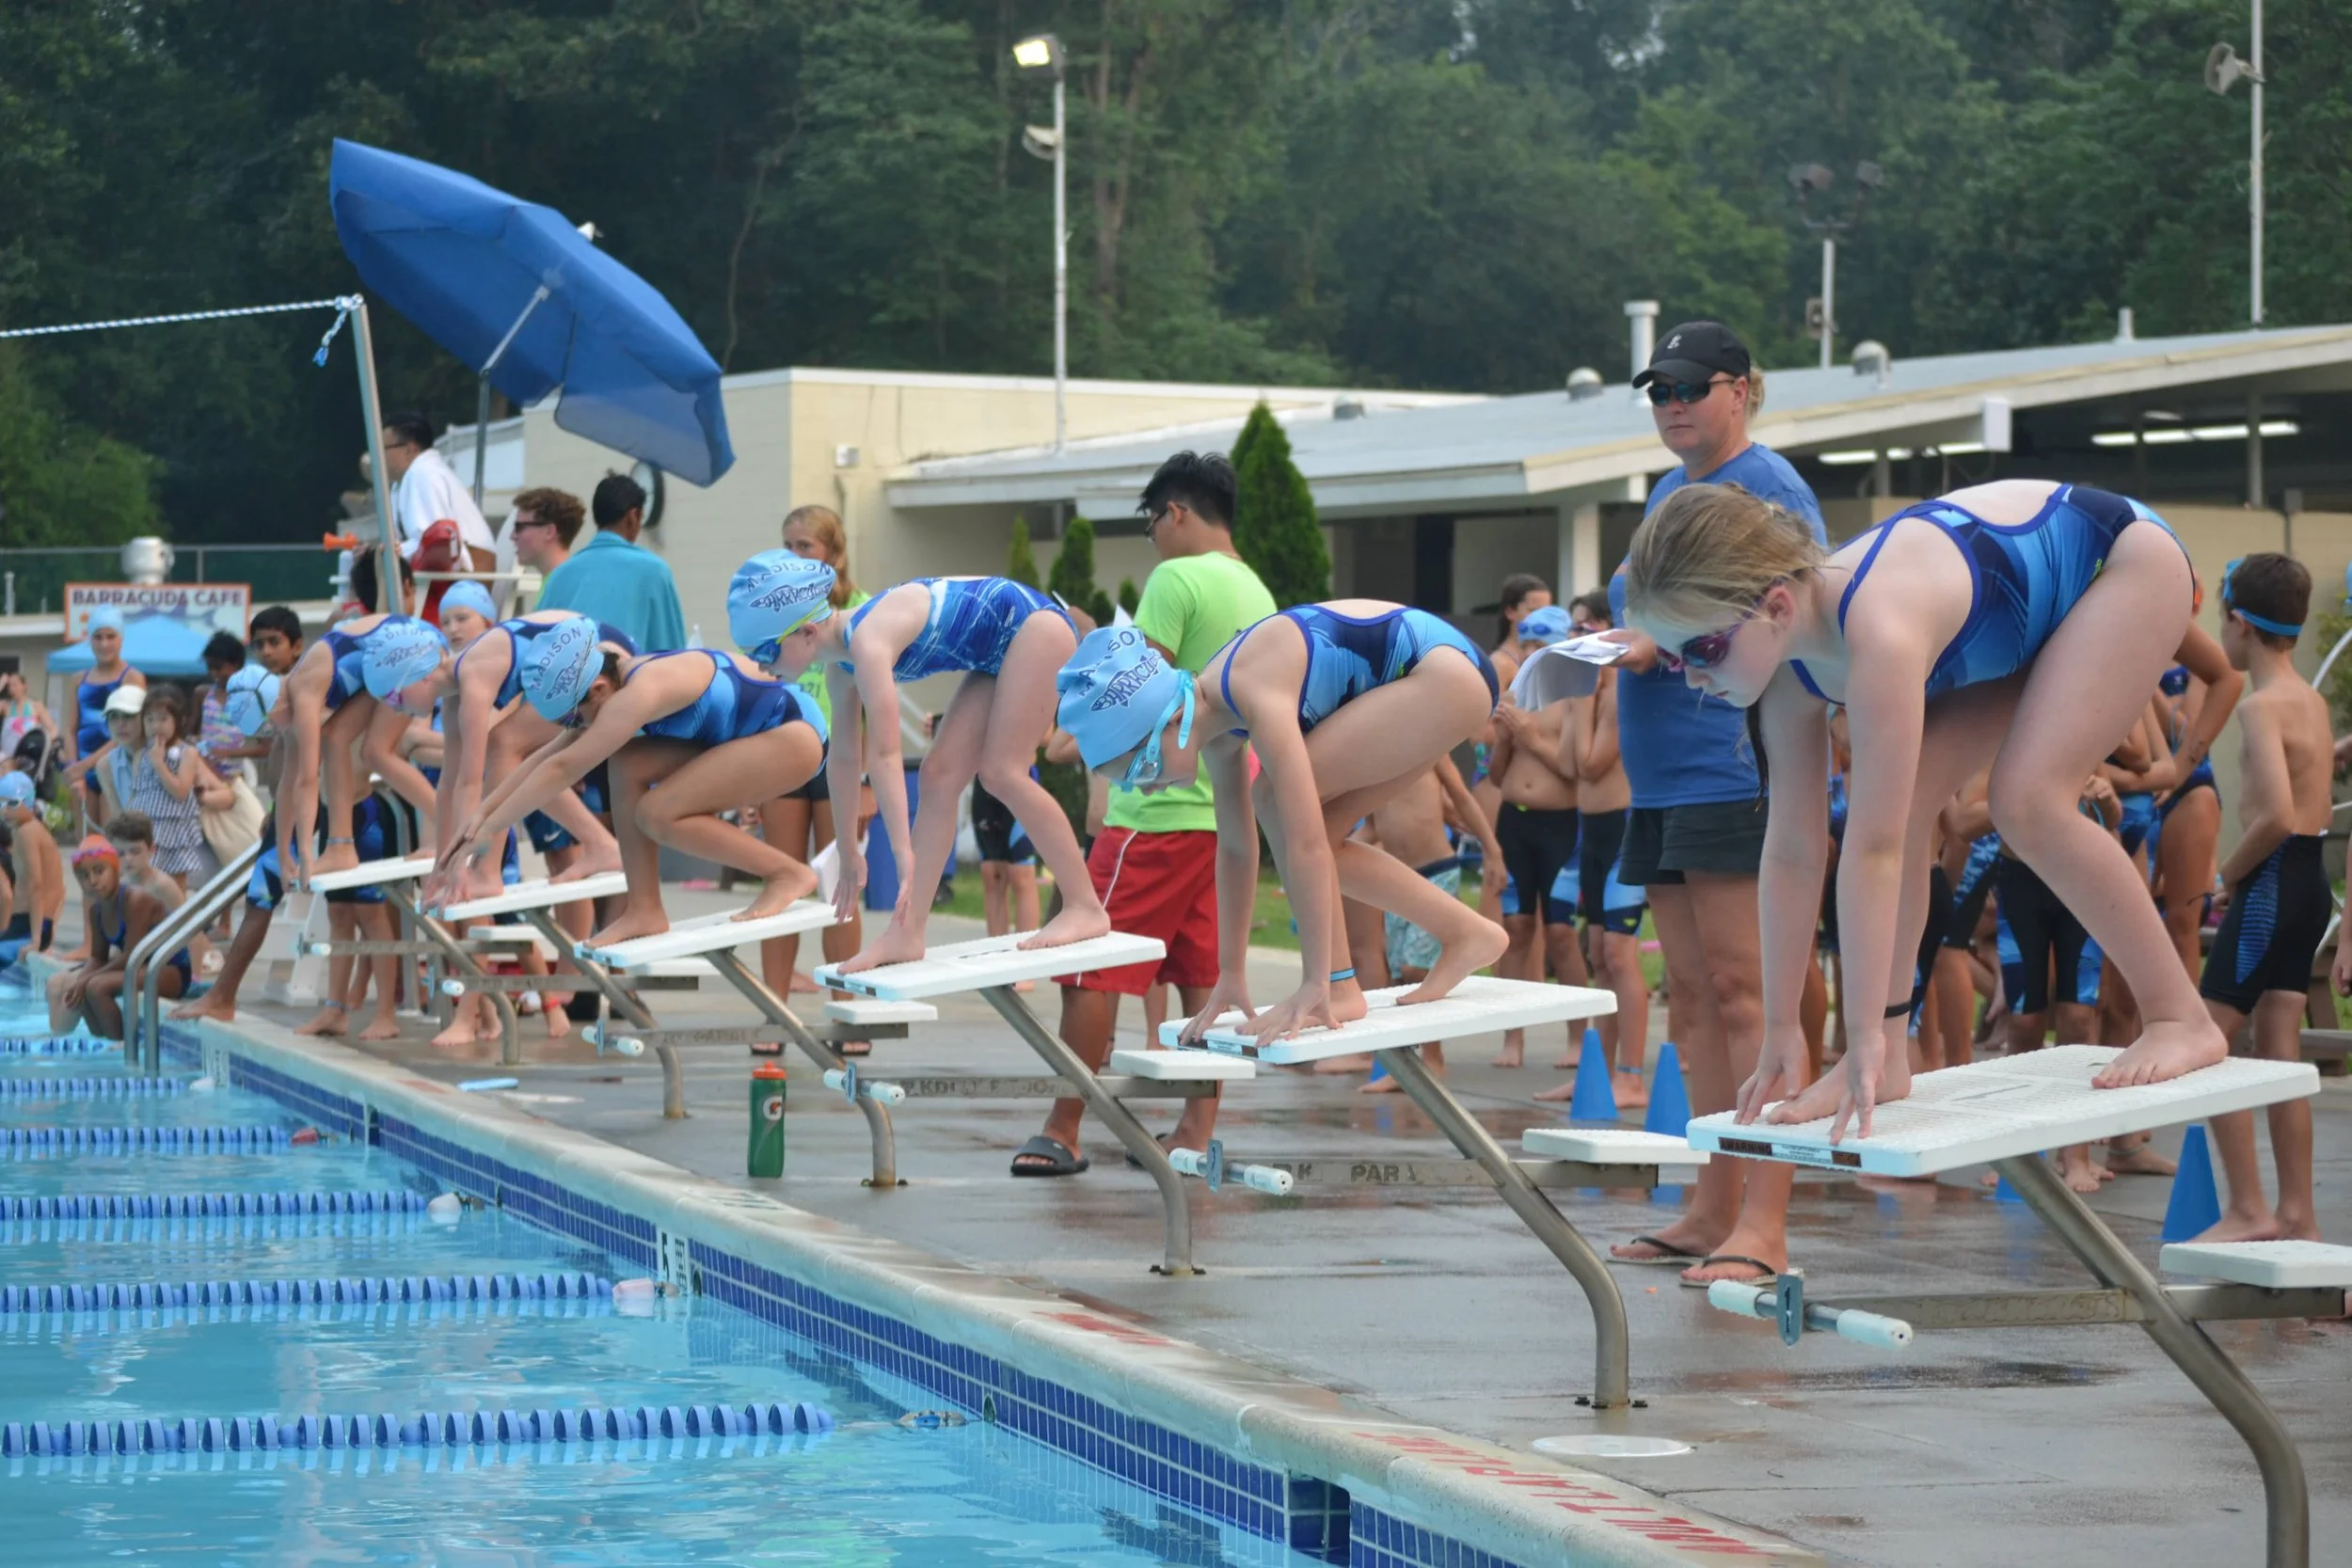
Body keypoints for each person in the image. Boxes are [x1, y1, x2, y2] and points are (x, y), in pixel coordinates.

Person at [1624, 476, 2226, 1150]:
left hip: (2117, 563)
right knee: (1905, 810)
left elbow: (1873, 853)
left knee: (2026, 802)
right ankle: (1893, 1059)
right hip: (2017, 608)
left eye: (1702, 650)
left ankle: (2182, 1016)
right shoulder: (1786, 671)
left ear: (1778, 605)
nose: (1693, 677)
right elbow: (1793, 848)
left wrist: (1855, 1039)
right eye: (1674, 657)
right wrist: (1782, 1030)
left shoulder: (1880, 628)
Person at [1599, 322, 1815, 1288]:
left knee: (1749, 996)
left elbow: (1786, 617)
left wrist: (1662, 644)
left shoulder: (1766, 490)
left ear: (1739, 390)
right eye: (1657, 390)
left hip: (1733, 767)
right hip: (1664, 777)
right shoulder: (1672, 493)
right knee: (1692, 998)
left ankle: (1763, 1222)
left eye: (1689, 386)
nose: (1671, 403)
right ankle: (1712, 1200)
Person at [1060, 604, 1508, 1049]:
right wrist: (1231, 973)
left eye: (1142, 769)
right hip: (1442, 678)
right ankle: (1467, 934)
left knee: (1275, 799)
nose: (1146, 788)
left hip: (1445, 674)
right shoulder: (1215, 724)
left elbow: (1303, 842)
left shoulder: (1249, 686)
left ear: (1171, 720)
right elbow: (1237, 850)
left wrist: (1313, 982)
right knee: (1318, 835)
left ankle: (1336, 986)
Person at [1017, 455, 1278, 1174]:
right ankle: (1196, 1131)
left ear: (1177, 513)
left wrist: (1076, 745)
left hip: (1156, 810)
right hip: (1223, 808)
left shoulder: (1176, 578)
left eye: (1150, 524)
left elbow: (1138, 691)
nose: (1153, 541)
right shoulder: (1257, 589)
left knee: (1094, 965)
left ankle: (1065, 1126)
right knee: (1203, 971)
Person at [756, 557, 1105, 975]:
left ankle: (1085, 906)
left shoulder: (868, 642)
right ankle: (907, 933)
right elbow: (846, 761)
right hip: (999, 649)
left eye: (766, 650)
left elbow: (886, 755)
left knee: (1003, 771)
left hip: (1037, 628)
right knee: (938, 777)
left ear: (807, 632)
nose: (761, 664)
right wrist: (847, 850)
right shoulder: (840, 668)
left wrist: (903, 850)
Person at [445, 611, 825, 948]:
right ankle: (644, 908)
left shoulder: (639, 692)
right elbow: (544, 757)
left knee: (658, 814)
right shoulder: (609, 689)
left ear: (597, 690)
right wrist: (480, 817)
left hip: (793, 735)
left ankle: (786, 873)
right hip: (753, 734)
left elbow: (563, 769)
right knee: (627, 762)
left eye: (572, 720)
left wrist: (491, 827)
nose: (571, 729)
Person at [2199, 555, 2330, 1243]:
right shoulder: (2309, 699)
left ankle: (2248, 1208)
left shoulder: (2257, 708)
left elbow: (2274, 813)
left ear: (2239, 623)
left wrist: (2226, 874)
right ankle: (2296, 1214)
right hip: (2309, 884)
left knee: (2202, 1039)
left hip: (2271, 879)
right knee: (2279, 1047)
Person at [1538, 590, 1649, 1110]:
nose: (1572, 640)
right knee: (1599, 958)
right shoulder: (1586, 695)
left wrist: (1582, 701)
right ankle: (1597, 1073)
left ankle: (1631, 1073)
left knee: (1620, 957)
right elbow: (1566, 764)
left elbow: (1590, 764)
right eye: (1572, 631)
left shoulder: (1618, 692)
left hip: (1624, 834)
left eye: (1583, 631)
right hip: (1591, 835)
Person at [761, 504, 872, 1006]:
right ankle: (775, 1007)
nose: (794, 555)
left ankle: (845, 1005)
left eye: (804, 545)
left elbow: (876, 702)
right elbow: (759, 686)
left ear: (832, 552)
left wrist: (868, 779)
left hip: (840, 758)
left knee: (841, 887)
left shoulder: (862, 609)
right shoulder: (770, 610)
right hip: (782, 752)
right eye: (787, 545)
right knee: (781, 885)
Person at [172, 647, 301, 1026]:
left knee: (364, 914)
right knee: (258, 901)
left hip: (312, 818)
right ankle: (222, 996)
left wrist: (293, 831)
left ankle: (362, 1005)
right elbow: (288, 768)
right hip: (289, 816)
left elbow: (309, 776)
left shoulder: (302, 707)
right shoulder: (283, 711)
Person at [1487, 604, 1586, 1069]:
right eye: (1525, 646)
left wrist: (1527, 735)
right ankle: (1513, 1039)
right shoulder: (1513, 696)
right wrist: (1506, 741)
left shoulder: (1574, 699)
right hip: (1515, 822)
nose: (1530, 654)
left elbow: (1572, 770)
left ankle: (1577, 1038)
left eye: (1539, 647)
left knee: (1562, 934)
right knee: (1516, 929)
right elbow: (1496, 774)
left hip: (1561, 826)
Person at [536, 473, 687, 654]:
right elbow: (671, 653)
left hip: (569, 680)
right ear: (634, 516)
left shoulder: (560, 575)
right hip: (630, 679)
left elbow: (536, 644)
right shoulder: (654, 572)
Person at [55, 837, 184, 1037]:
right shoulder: (96, 910)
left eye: (99, 871)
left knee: (96, 987)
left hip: (171, 970)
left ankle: (123, 1044)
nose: (93, 881)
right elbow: (98, 958)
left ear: (116, 870)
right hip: (141, 968)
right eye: (83, 876)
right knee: (81, 986)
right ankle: (103, 1041)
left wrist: (87, 978)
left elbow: (133, 955)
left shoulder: (136, 900)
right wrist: (80, 980)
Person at [381, 412, 497, 569]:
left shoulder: (424, 474)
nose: (379, 455)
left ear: (409, 450)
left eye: (384, 448)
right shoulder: (404, 482)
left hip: (471, 572)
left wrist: (387, 552)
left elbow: (437, 541)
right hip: (448, 571)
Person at [65, 607, 146, 814]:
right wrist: (75, 768)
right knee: (86, 843)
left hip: (117, 767)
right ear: (89, 640)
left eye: (111, 637)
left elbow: (130, 732)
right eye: (98, 637)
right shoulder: (78, 680)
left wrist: (86, 765)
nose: (104, 644)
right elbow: (70, 729)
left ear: (121, 639)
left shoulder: (132, 678)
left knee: (114, 839)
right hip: (82, 771)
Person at [128, 685, 210, 886]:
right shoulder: (140, 754)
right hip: (146, 825)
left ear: (178, 721)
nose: (156, 726)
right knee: (144, 879)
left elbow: (181, 792)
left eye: (163, 719)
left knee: (175, 881)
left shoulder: (187, 753)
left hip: (174, 827)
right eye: (150, 720)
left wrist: (159, 763)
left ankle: (178, 917)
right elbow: (136, 791)